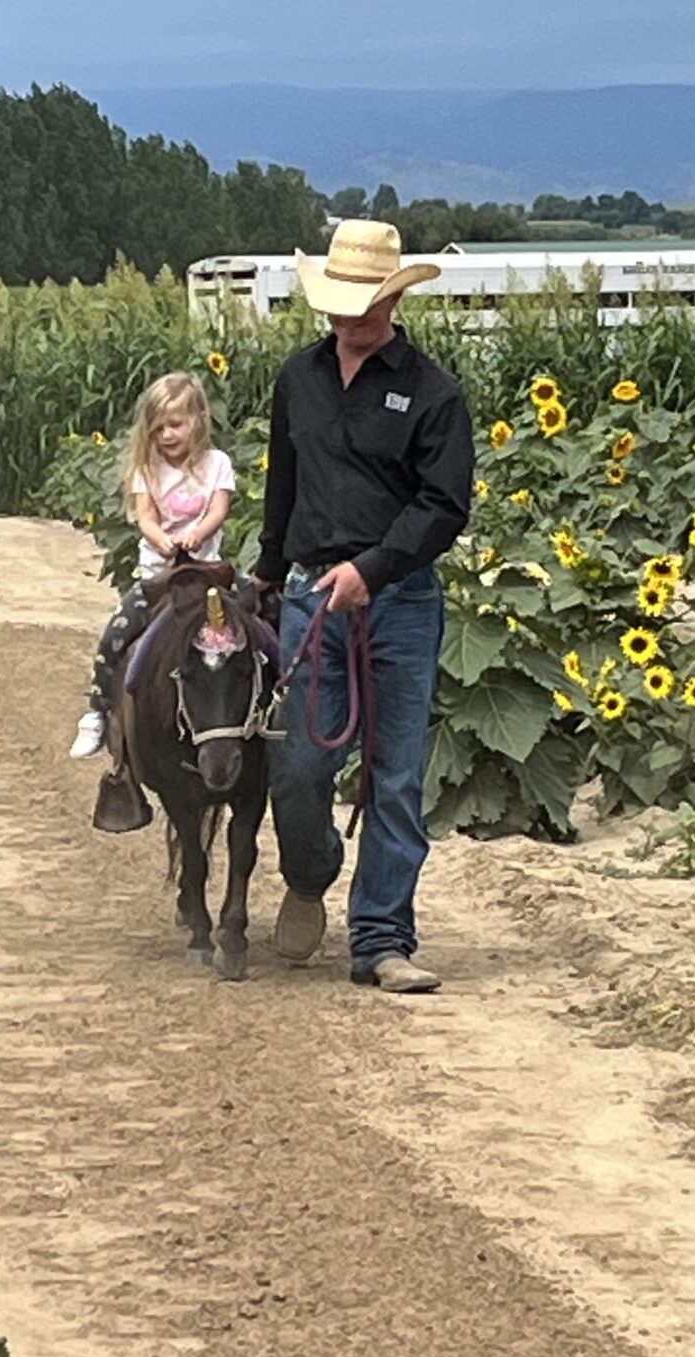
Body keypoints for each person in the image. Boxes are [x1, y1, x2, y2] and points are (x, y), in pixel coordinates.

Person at [254, 219, 474, 994]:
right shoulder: (298, 379)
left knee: (394, 774)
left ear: (391, 300)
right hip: (310, 596)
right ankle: (310, 872)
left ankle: (382, 940)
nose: (350, 318)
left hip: (400, 604)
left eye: (364, 304)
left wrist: (372, 570)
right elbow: (285, 481)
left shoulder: (434, 394)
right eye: (340, 304)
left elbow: (445, 506)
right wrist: (266, 569)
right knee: (301, 763)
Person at [70, 372, 235, 760]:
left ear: (200, 419)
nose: (166, 435)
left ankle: (272, 705)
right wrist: (161, 539)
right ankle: (97, 711)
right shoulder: (148, 469)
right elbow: (144, 516)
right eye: (158, 428)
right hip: (159, 577)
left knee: (254, 623)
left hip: (208, 572)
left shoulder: (217, 464)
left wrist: (197, 534)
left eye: (175, 425)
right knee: (118, 632)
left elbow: (219, 509)